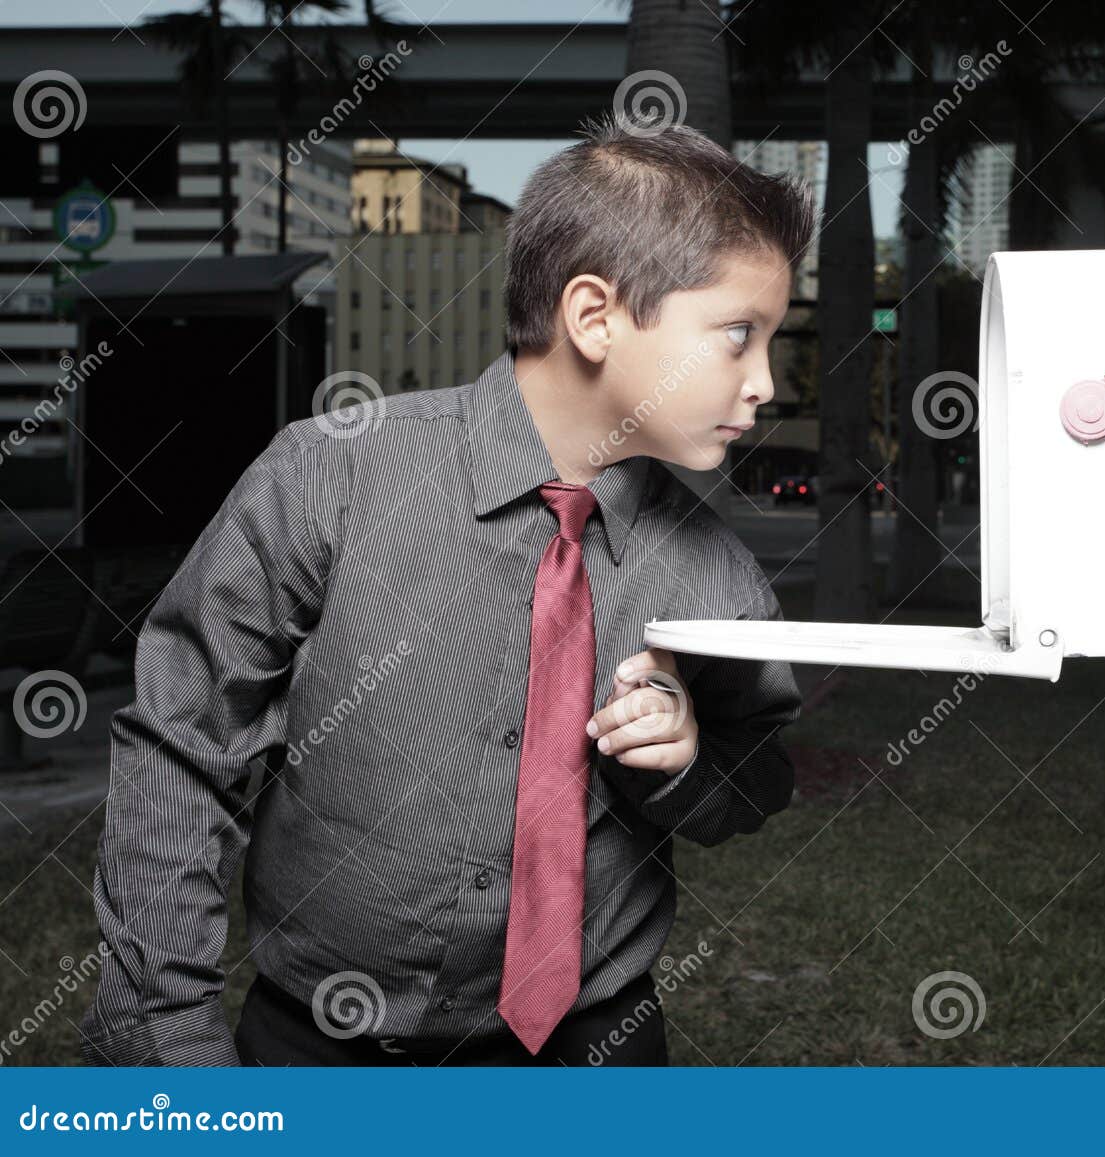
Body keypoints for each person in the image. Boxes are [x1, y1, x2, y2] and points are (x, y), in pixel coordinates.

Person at [79, 109, 814, 1066]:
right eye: (737, 336)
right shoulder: (330, 476)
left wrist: (686, 761)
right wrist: (163, 1034)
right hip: (324, 1047)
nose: (765, 383)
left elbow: (757, 776)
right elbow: (183, 745)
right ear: (595, 317)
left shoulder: (716, 570)